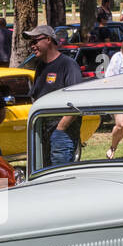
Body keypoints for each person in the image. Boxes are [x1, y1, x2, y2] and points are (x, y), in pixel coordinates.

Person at [25, 25, 84, 165]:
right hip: (42, 133)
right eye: (30, 43)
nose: (32, 46)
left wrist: (60, 128)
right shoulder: (40, 67)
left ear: (48, 40)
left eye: (35, 42)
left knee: (60, 180)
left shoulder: (68, 65)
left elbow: (78, 102)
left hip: (62, 135)